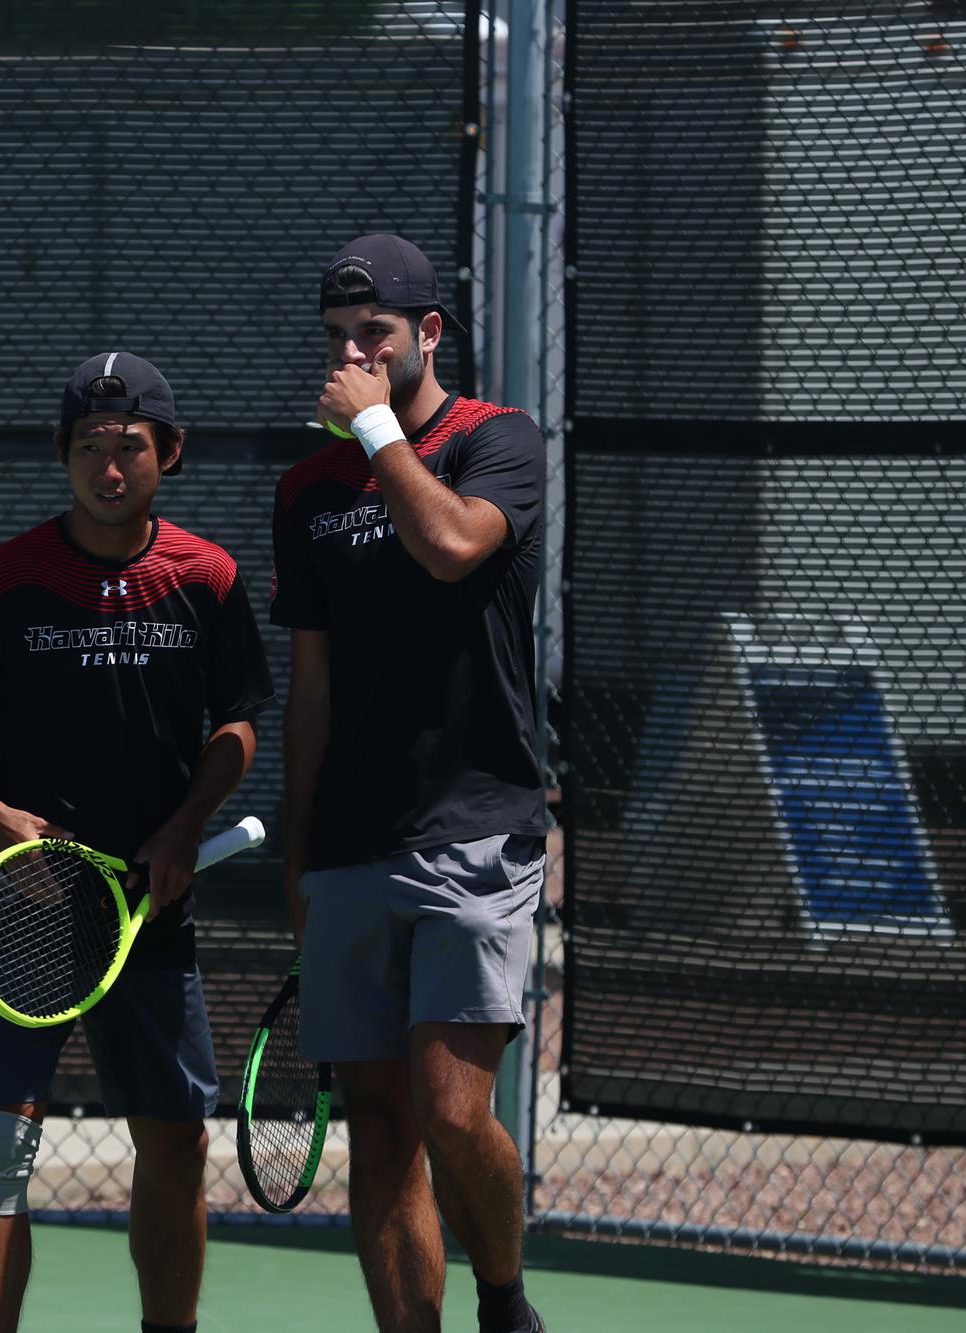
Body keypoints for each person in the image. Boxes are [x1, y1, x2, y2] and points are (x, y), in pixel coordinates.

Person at [0, 351, 276, 1333]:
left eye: (130, 449)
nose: (109, 469)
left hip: (150, 913)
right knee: (0, 1150)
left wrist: (185, 825)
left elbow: (237, 721)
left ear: (169, 453)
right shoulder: (1, 577)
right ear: (62, 453)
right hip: (27, 913)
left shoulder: (207, 577)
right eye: (90, 448)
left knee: (177, 1144)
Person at [271, 235, 549, 1333]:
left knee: (448, 1108)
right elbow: (310, 689)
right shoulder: (304, 490)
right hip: (349, 846)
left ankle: (503, 1294)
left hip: (476, 828)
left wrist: (377, 428)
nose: (351, 355)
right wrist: (299, 854)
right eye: (337, 338)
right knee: (379, 1130)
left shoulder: (498, 441)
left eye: (372, 336)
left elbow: (448, 547)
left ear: (427, 334)